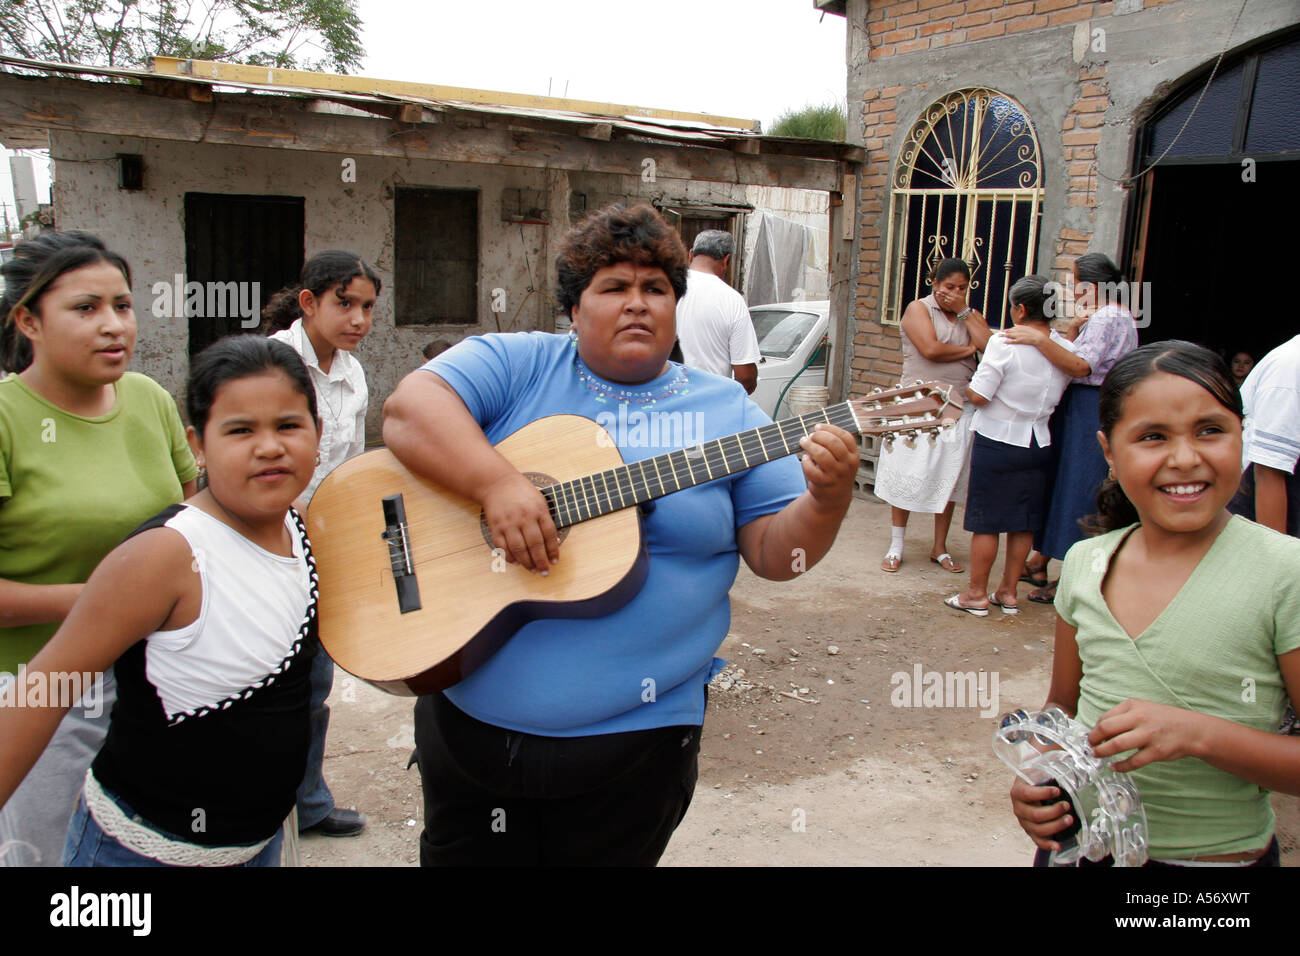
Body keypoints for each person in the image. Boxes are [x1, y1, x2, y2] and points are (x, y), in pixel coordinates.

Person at [382, 203, 859, 866]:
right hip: (468, 733)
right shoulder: (519, 363)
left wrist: (828, 500)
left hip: (636, 751)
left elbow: (777, 555)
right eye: (613, 287)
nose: (637, 303)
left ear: (675, 307)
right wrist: (499, 486)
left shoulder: (726, 411)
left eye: (655, 288)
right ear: (574, 309)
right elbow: (408, 410)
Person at [0, 335, 322, 866]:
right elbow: (43, 688)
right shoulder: (165, 555)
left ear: (318, 431)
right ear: (198, 444)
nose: (269, 447)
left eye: (288, 425)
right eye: (240, 430)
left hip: (257, 845)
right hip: (138, 854)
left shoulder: (303, 528)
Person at [1009, 341, 1300, 866]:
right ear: (1109, 453)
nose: (1185, 458)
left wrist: (1199, 734)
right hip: (1082, 851)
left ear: (1244, 435)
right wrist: (1041, 774)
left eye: (1211, 430)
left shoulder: (1286, 573)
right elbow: (1063, 708)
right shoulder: (1085, 563)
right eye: (1152, 437)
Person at [0, 232, 198, 867]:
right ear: (28, 320)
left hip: (154, 685)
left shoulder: (149, 401)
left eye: (124, 305)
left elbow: (193, 527)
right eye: (86, 309)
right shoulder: (5, 419)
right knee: (49, 859)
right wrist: (112, 602)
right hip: (40, 696)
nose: (114, 326)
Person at [264, 252, 380, 838]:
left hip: (324, 543)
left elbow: (348, 464)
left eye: (366, 307)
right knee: (258, 673)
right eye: (345, 303)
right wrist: (296, 512)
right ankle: (253, 805)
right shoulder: (272, 364)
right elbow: (259, 458)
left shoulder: (353, 372)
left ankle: (306, 803)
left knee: (313, 677)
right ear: (308, 303)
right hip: (266, 540)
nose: (358, 318)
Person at [1009, 253, 1137, 603]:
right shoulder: (1111, 315)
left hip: (1088, 408)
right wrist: (1073, 331)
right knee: (1066, 483)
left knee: (1078, 486)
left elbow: (1081, 366)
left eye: (1075, 282)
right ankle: (1039, 561)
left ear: (1091, 287)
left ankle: (1071, 579)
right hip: (1087, 407)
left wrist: (1040, 340)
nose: (1071, 288)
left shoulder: (1108, 318)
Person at [946, 276, 1074, 616]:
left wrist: (966, 389)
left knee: (986, 521)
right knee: (1022, 521)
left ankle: (976, 594)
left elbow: (979, 395)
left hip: (998, 440)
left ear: (1020, 309)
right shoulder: (1064, 349)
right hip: (1039, 440)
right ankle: (1008, 592)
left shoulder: (1005, 343)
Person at [874, 258, 991, 574]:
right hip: (918, 404)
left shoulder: (970, 315)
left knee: (948, 477)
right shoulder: (918, 309)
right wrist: (970, 351)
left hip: (959, 406)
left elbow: (991, 348)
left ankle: (939, 547)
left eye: (962, 288)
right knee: (907, 472)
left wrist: (966, 313)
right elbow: (931, 350)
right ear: (935, 283)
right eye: (949, 286)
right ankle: (896, 544)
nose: (954, 293)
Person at [674, 230, 761, 394]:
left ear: (691, 255)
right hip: (710, 402)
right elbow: (745, 377)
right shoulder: (732, 300)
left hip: (666, 403)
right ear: (726, 259)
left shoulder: (665, 289)